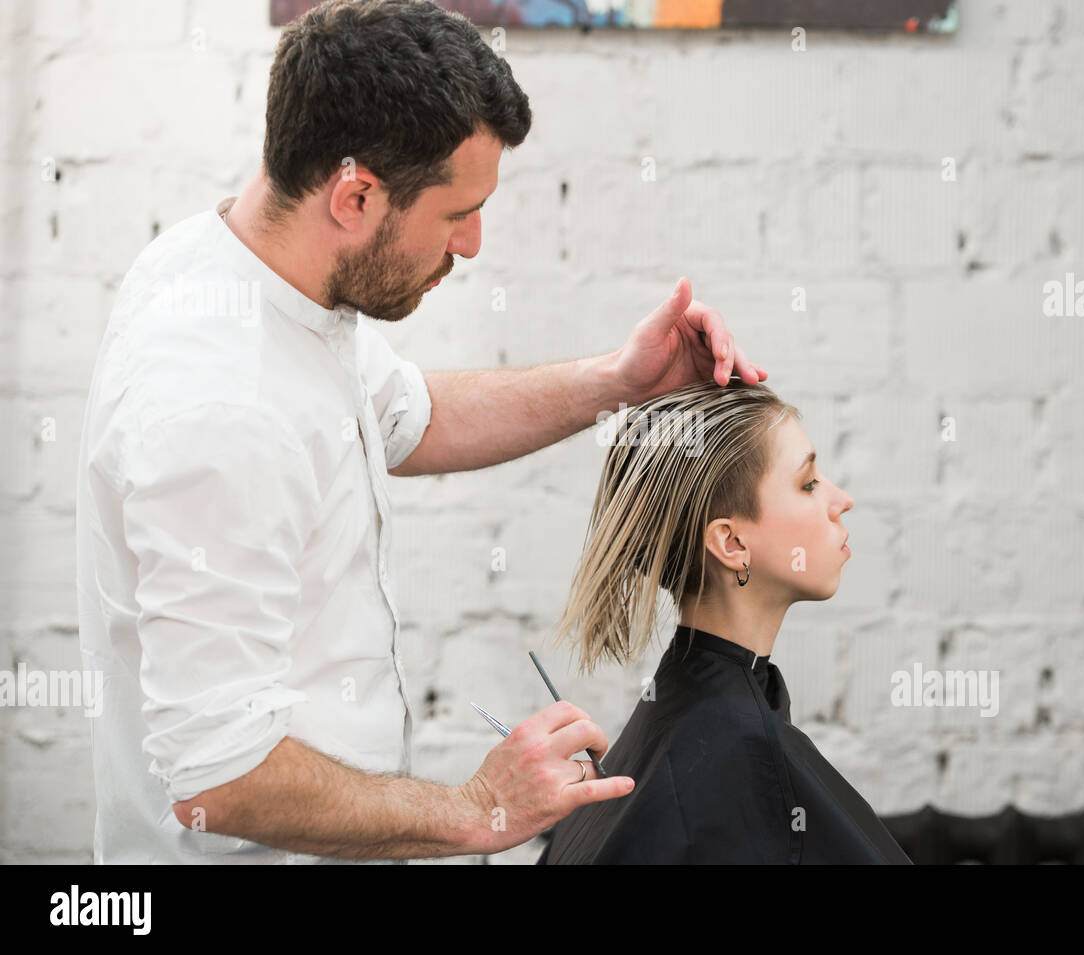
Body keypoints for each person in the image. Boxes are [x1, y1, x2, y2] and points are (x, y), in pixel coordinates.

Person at [74, 0, 765, 863]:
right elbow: (219, 777)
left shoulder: (239, 267)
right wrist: (479, 808)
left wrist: (621, 382)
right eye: (455, 214)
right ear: (356, 194)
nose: (472, 246)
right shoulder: (217, 402)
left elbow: (405, 416)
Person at [537, 380, 911, 863]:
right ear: (731, 544)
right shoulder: (741, 752)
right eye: (808, 483)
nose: (840, 500)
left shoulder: (676, 712)